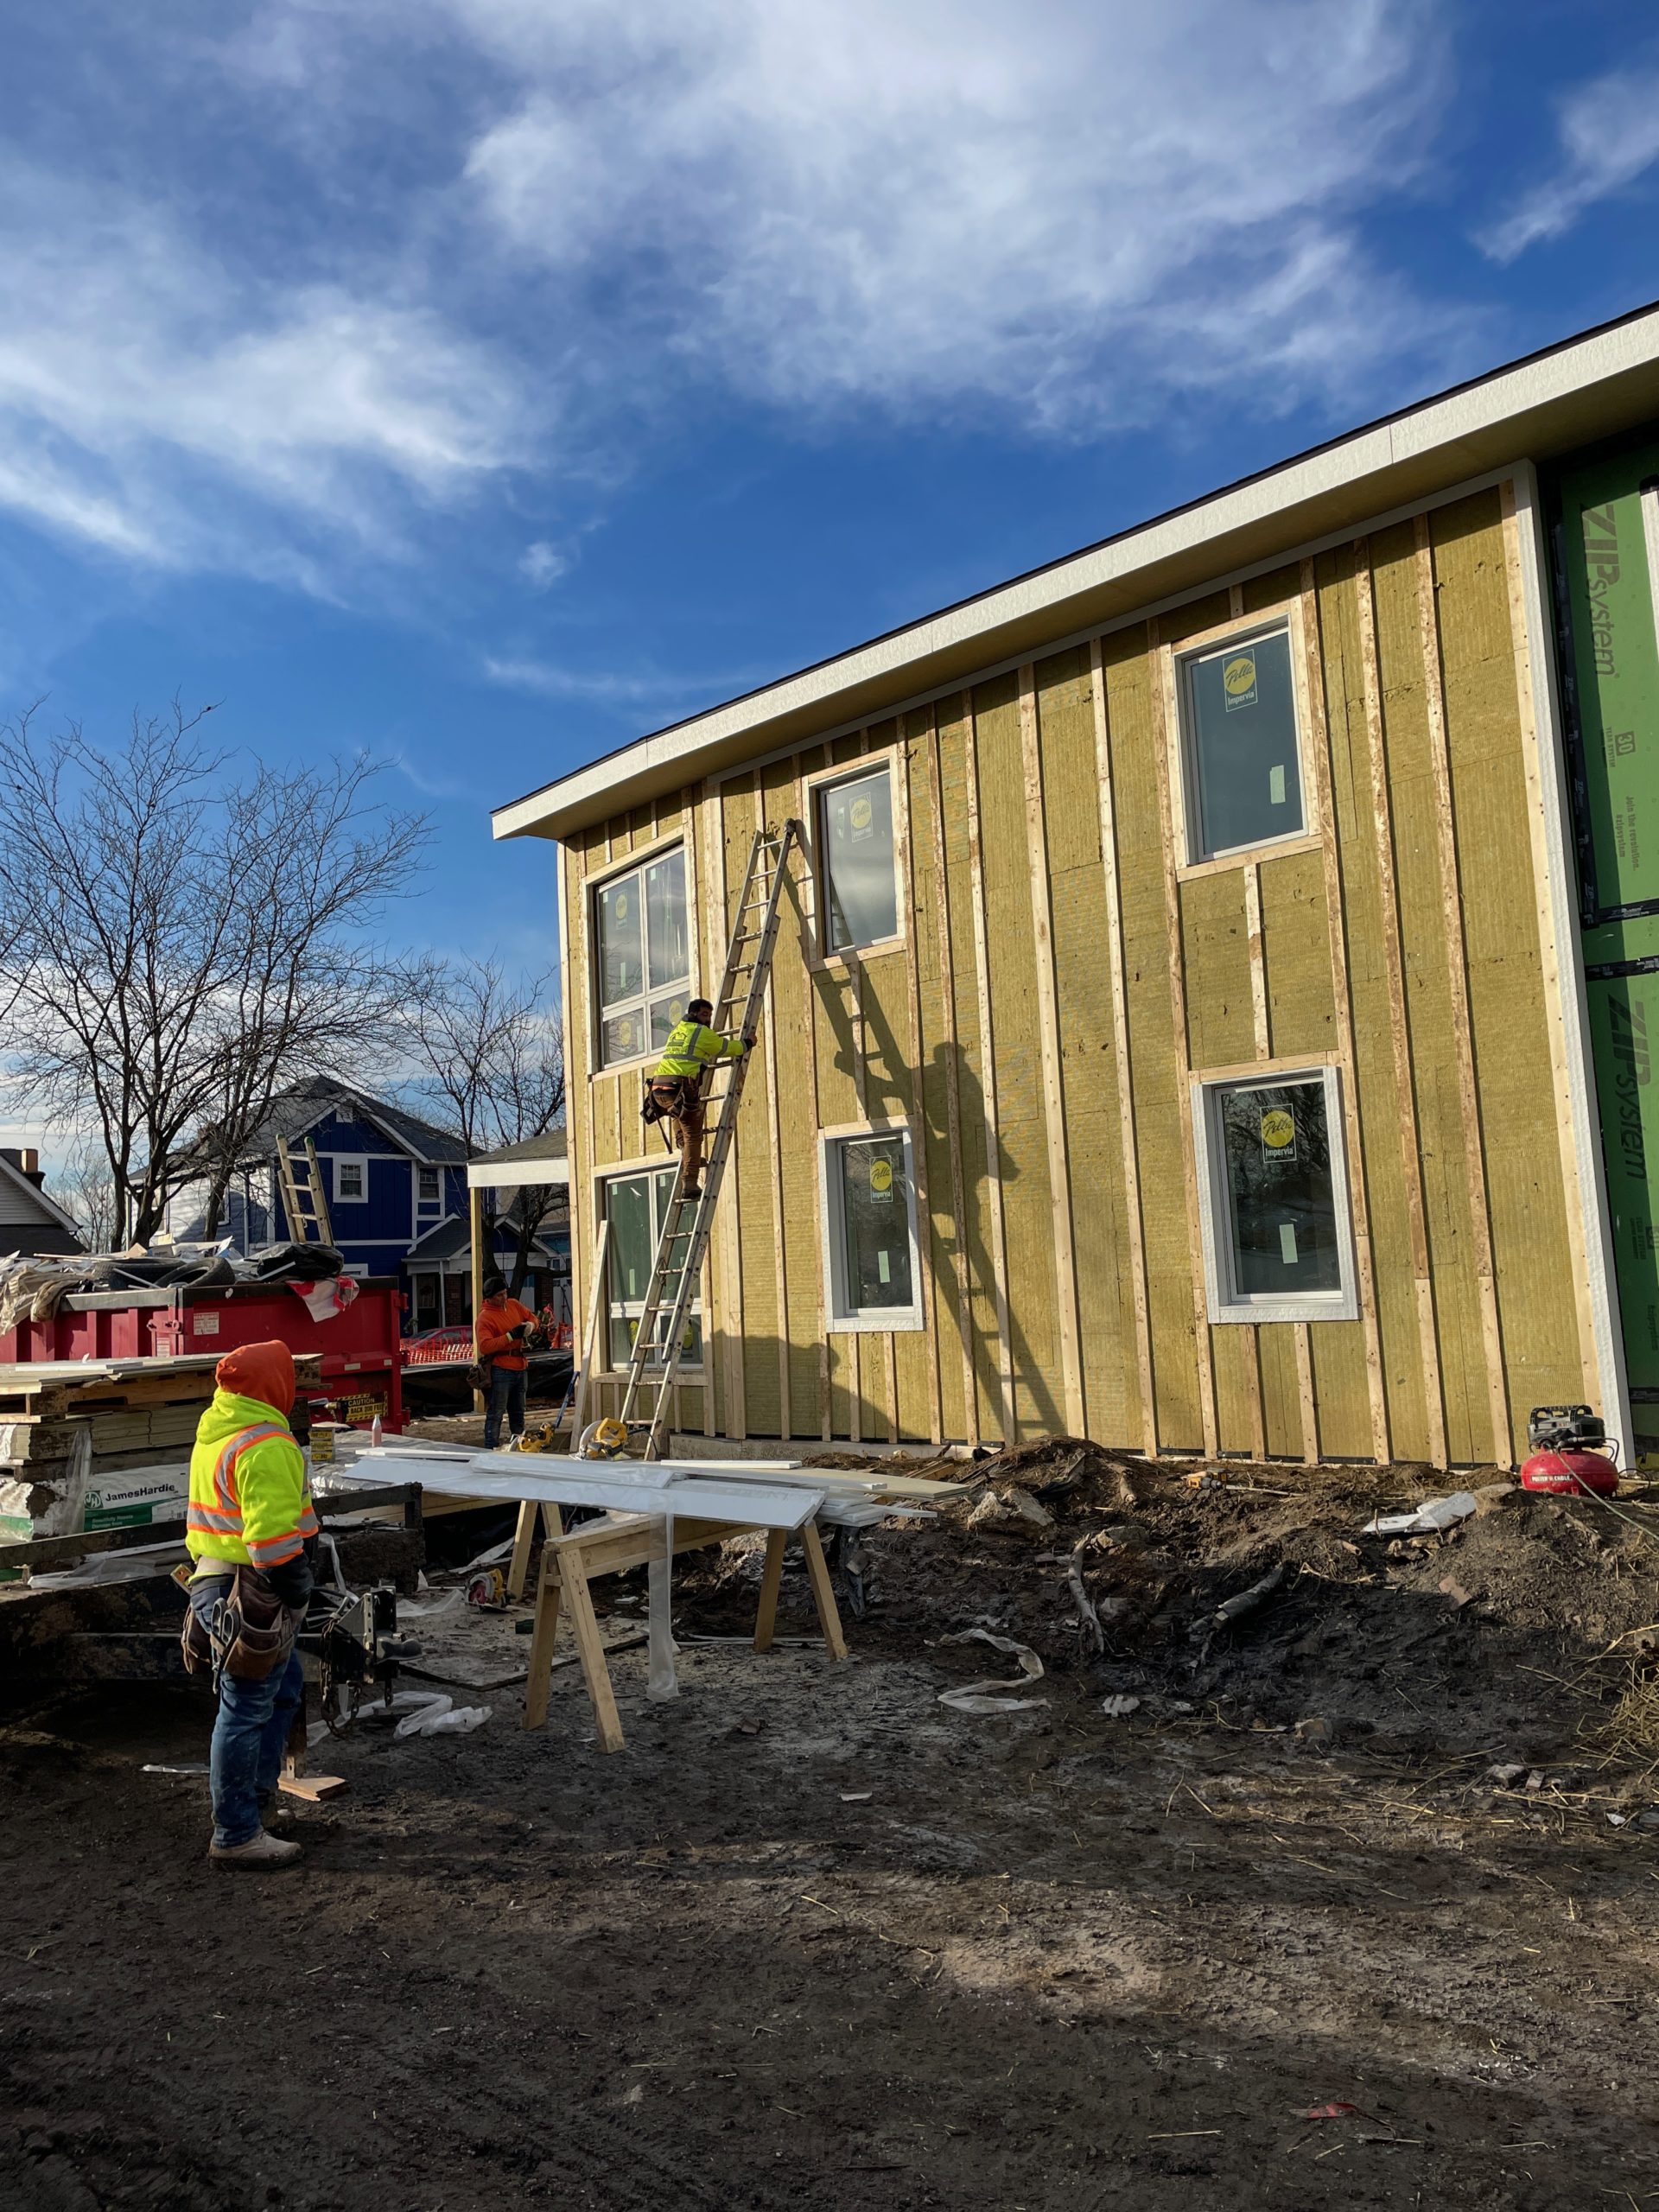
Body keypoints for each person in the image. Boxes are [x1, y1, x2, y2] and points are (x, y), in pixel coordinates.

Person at [184, 1340, 316, 1870]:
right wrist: (299, 1586)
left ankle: (255, 1810)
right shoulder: (266, 1444)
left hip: (213, 1581)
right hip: (254, 1589)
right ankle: (237, 1831)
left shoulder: (216, 1435)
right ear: (275, 1386)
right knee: (244, 1710)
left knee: (279, 1691)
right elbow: (272, 1544)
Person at [648, 998, 755, 1198]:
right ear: (694, 1013)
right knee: (693, 1136)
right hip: (679, 1089)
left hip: (659, 1090)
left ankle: (689, 1154)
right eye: (705, 1015)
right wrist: (748, 1042)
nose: (708, 1019)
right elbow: (727, 1048)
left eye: (710, 1015)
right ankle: (689, 1181)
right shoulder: (701, 1033)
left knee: (679, 1125)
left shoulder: (678, 1030)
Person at [476, 1270, 536, 1447]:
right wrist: (510, 1336)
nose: (504, 1297)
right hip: (501, 1368)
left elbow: (531, 1316)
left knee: (518, 1412)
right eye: (500, 1295)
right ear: (490, 1298)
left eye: (505, 1293)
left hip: (519, 1365)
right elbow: (485, 1346)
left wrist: (531, 1326)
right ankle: (490, 1447)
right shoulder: (485, 1317)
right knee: (497, 1412)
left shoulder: (513, 1305)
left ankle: (518, 1445)